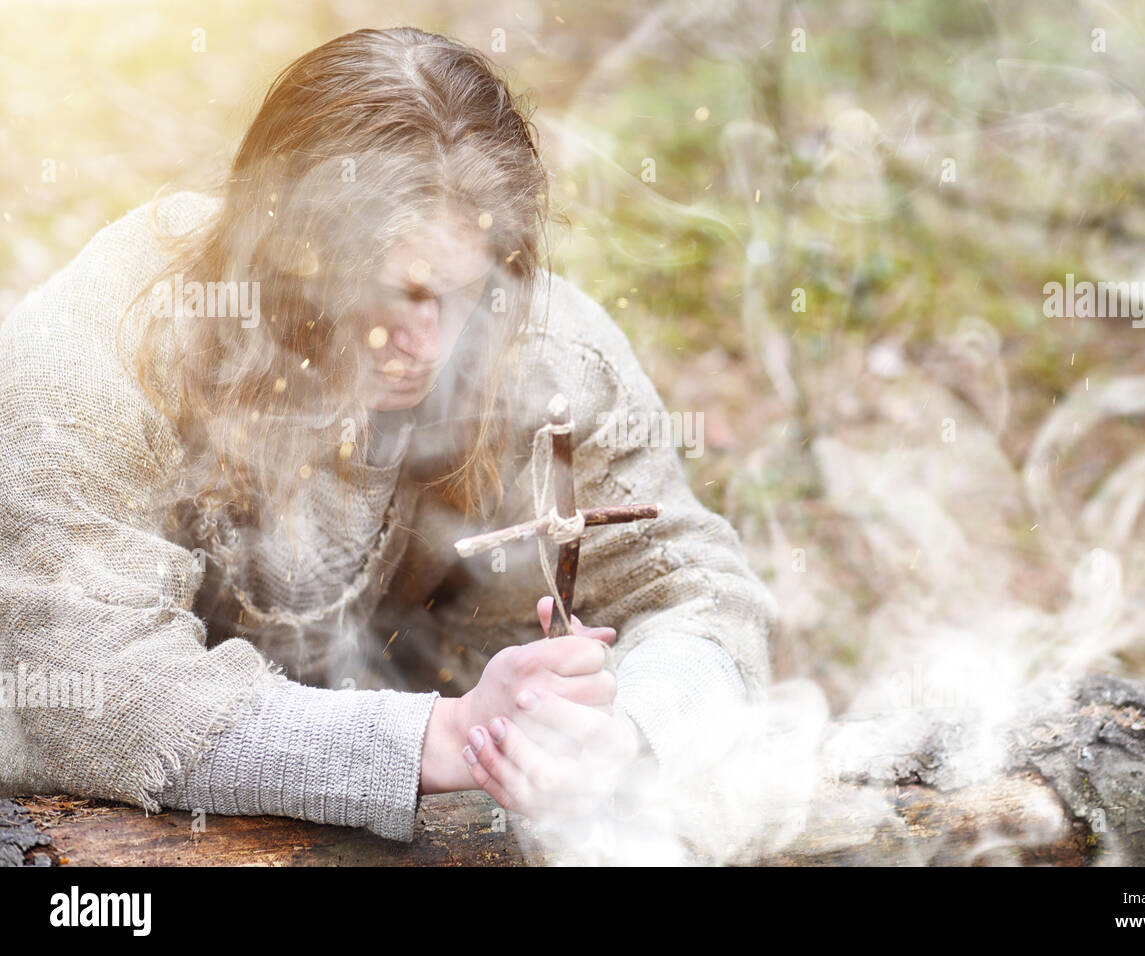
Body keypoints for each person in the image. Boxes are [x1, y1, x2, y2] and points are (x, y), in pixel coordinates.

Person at [0, 27, 776, 843]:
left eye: (462, 290)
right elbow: (82, 682)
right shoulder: (98, 349)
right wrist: (431, 739)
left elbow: (699, 595)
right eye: (394, 290)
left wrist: (628, 740)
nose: (432, 346)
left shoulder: (548, 357)